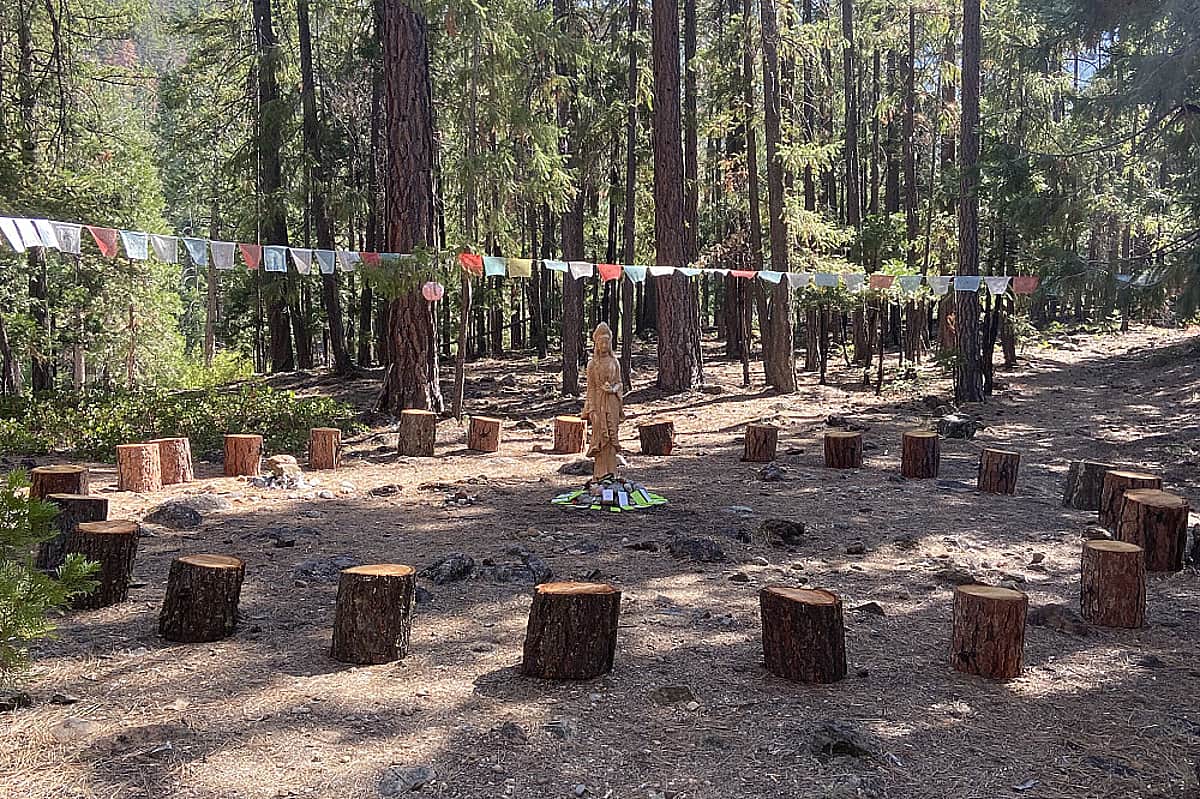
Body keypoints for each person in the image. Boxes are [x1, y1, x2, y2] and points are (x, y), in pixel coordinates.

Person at [581, 322, 623, 478]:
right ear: (596, 344)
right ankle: (599, 473)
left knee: (612, 436)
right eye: (601, 342)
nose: (604, 345)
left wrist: (613, 389)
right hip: (598, 401)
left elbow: (619, 382)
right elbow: (590, 388)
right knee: (599, 434)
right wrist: (591, 409)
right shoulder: (592, 364)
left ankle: (612, 471)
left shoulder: (614, 362)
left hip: (612, 401)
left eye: (607, 342)